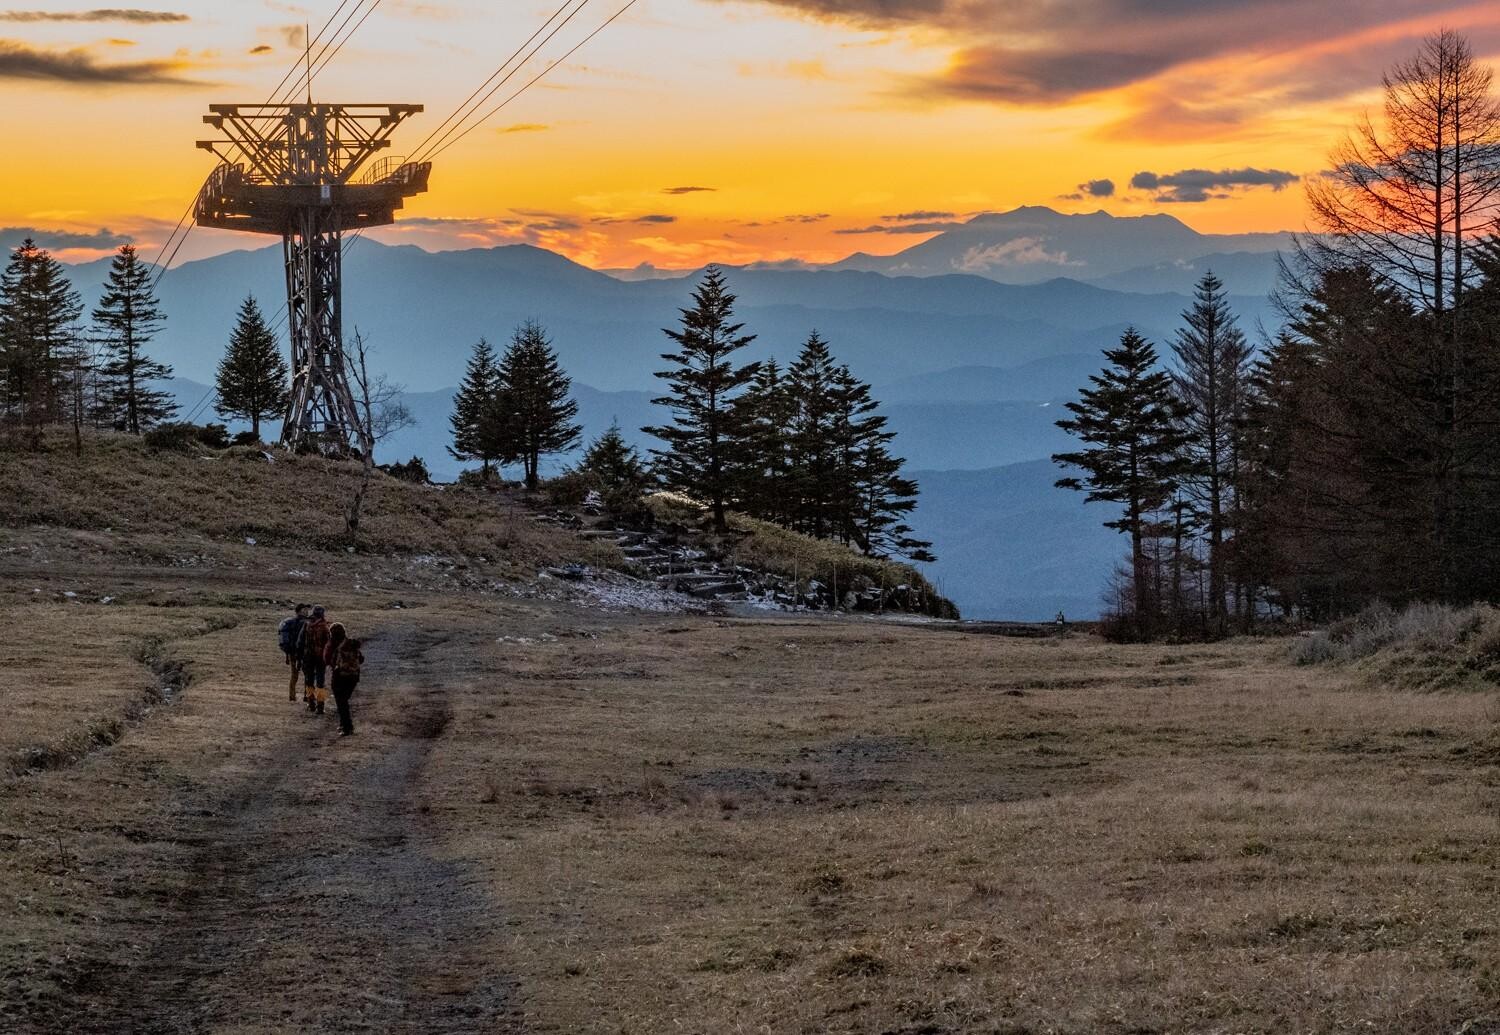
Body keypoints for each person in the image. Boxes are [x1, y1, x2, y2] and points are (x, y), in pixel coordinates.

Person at [326, 622, 365, 737]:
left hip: (339, 676)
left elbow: (329, 659)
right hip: (353, 676)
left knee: (341, 702)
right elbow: (361, 659)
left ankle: (347, 727)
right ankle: (344, 724)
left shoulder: (333, 644)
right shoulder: (352, 643)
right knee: (344, 701)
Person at [299, 605, 332, 714]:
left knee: (309, 680)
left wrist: (300, 655)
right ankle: (320, 706)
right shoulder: (324, 626)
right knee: (320, 681)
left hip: (308, 656)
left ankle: (311, 703)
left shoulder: (307, 624)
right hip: (320, 657)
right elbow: (329, 643)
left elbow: (300, 642)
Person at [279, 603, 311, 702]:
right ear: (300, 611)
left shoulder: (291, 622)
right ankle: (307, 697)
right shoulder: (306, 623)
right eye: (305, 609)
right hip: (304, 653)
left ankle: (292, 697)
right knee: (308, 675)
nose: (307, 611)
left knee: (294, 675)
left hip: (293, 653)